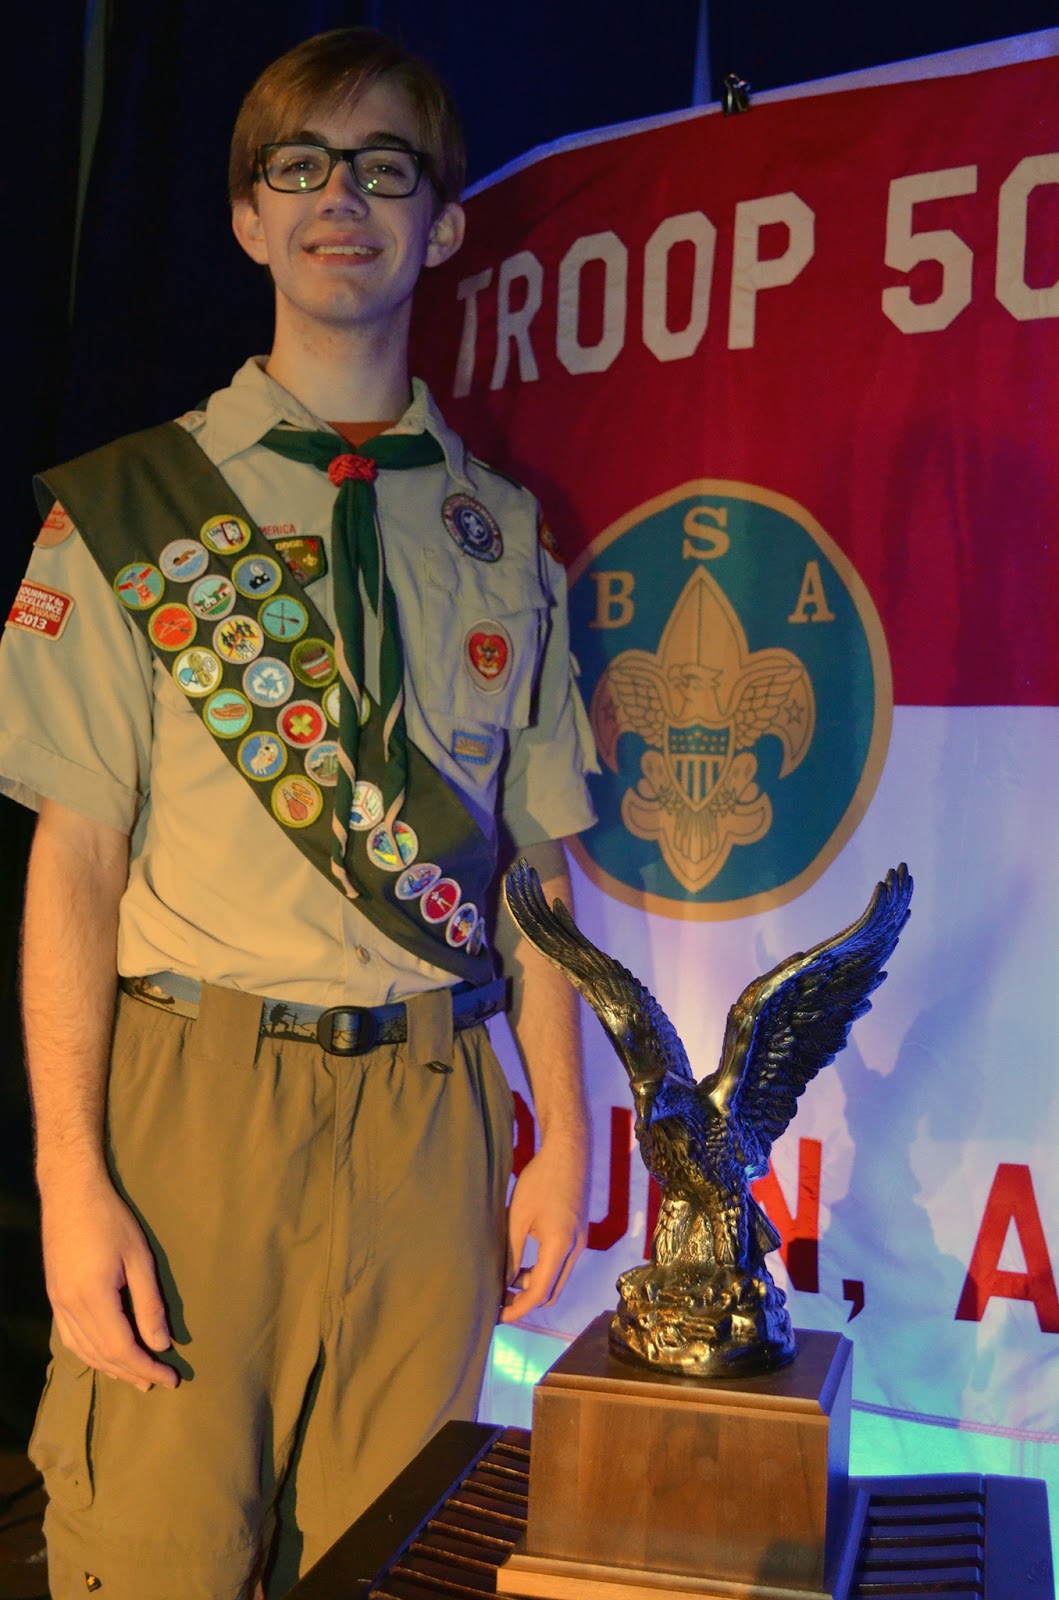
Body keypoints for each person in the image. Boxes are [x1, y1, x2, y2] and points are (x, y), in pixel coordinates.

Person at [0, 27, 596, 1600]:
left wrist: (564, 1137)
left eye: (386, 167)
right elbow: (76, 859)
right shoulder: (132, 515)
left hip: (430, 1120)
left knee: (399, 1560)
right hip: (197, 1104)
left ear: (442, 224)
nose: (345, 198)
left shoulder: (506, 535)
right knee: (154, 1559)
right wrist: (72, 1178)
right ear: (251, 219)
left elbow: (537, 872)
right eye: (301, 167)